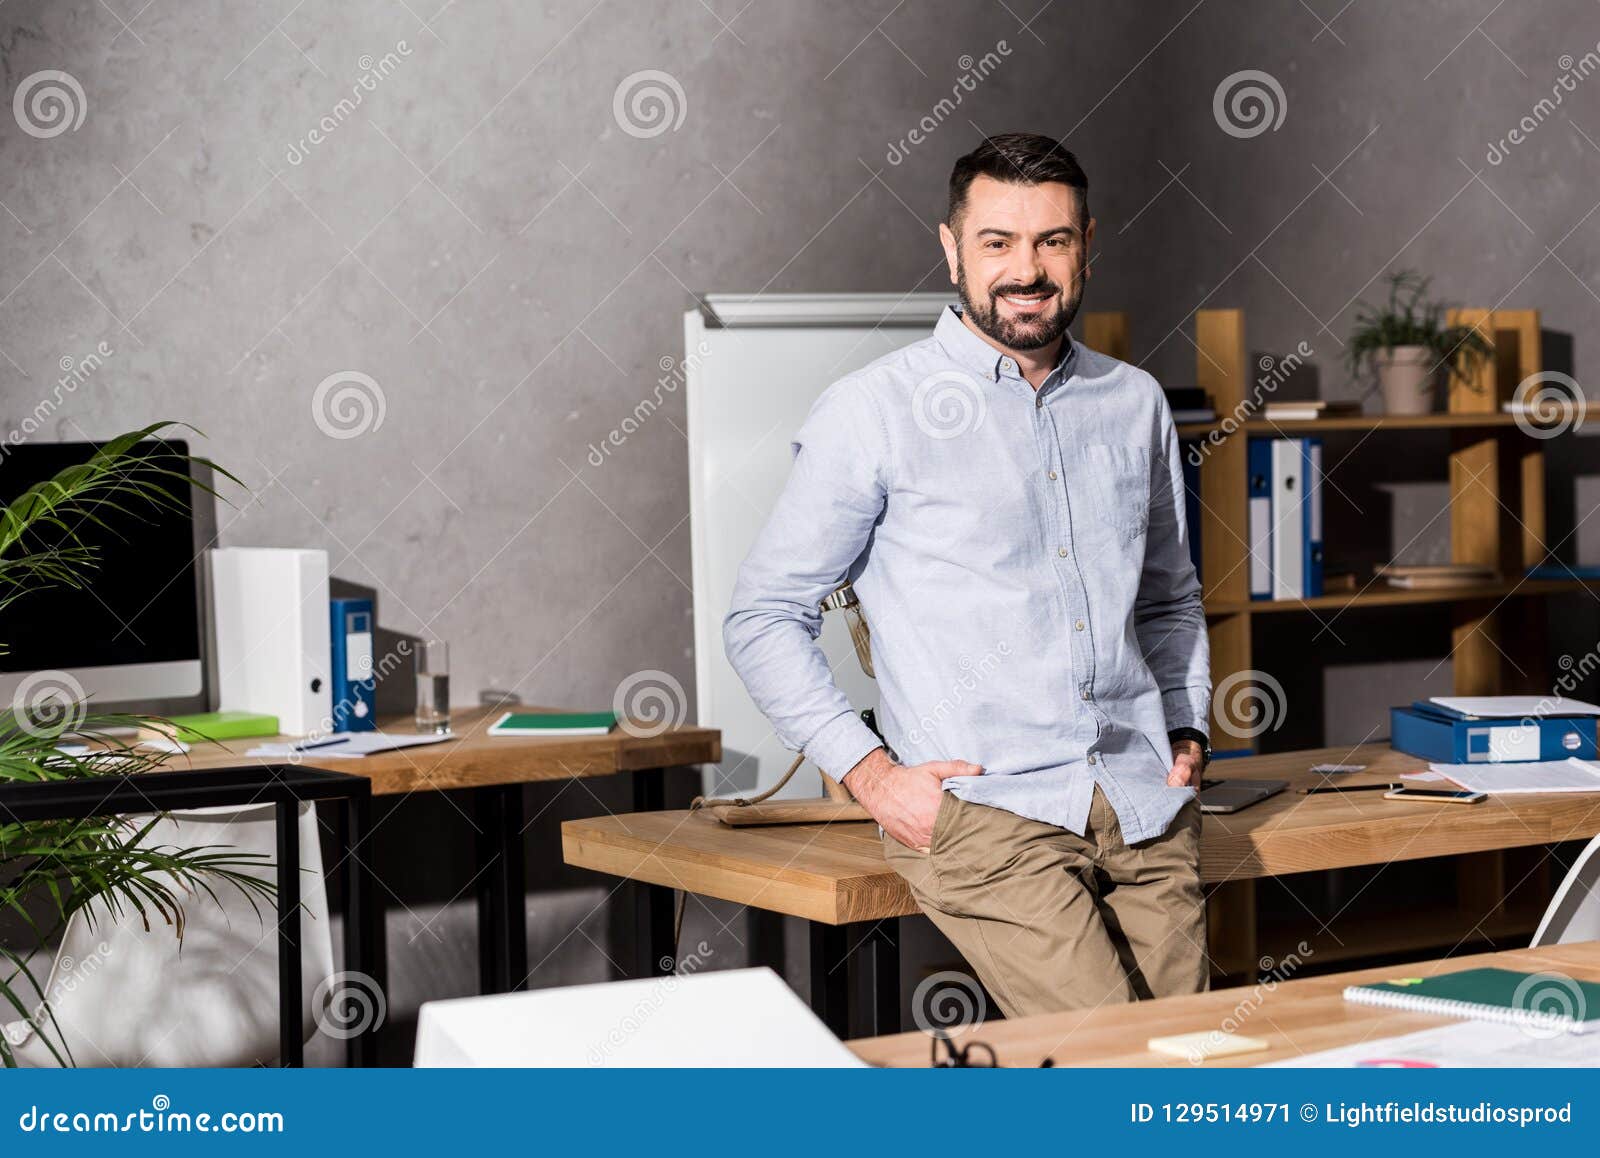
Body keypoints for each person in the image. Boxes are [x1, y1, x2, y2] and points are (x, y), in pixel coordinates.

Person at [723, 132, 1212, 1017]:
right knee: (1111, 1072)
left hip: (1144, 806)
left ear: (1086, 246)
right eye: (998, 242)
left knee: (1197, 1068)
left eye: (1052, 241)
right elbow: (763, 616)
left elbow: (1169, 596)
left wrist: (1187, 725)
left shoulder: (1134, 402)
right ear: (951, 248)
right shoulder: (872, 412)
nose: (1027, 269)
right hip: (987, 816)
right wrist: (873, 777)